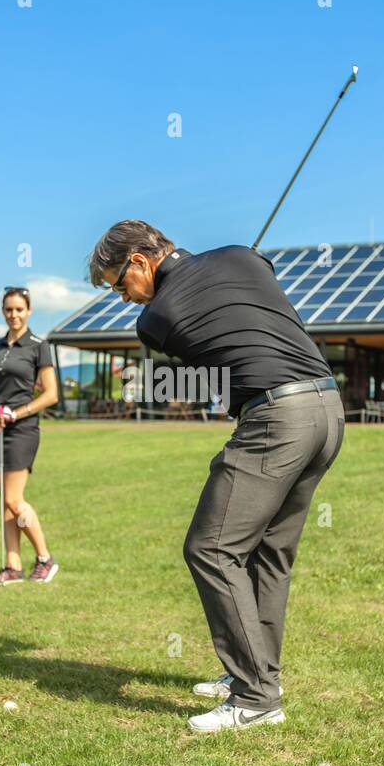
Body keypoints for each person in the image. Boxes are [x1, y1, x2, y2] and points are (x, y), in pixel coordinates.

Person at [89, 219, 344, 734]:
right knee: (269, 553)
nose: (123, 299)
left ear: (140, 261)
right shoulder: (243, 256)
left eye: (119, 284)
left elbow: (200, 374)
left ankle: (255, 697)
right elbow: (253, 284)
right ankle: (256, 676)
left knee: (211, 547)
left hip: (277, 420)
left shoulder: (155, 319)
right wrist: (237, 263)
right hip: (328, 411)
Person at [0, 287, 60, 585]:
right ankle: (12, 566)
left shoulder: (38, 345)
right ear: (3, 312)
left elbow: (51, 395)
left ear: (29, 311)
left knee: (13, 499)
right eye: (9, 309)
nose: (14, 315)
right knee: (5, 503)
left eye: (19, 309)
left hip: (21, 429)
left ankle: (45, 559)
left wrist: (14, 414)